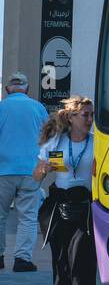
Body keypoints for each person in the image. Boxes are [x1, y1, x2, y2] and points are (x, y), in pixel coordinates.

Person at [33, 95, 96, 285]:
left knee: (83, 264)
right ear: (71, 117)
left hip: (86, 208)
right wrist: (44, 169)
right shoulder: (56, 142)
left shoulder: (96, 142)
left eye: (91, 114)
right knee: (61, 265)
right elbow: (36, 176)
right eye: (85, 115)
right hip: (59, 207)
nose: (89, 119)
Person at [0, 71, 48, 272]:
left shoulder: (1, 108)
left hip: (3, 171)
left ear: (6, 89)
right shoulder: (38, 108)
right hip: (32, 171)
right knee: (28, 216)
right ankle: (22, 259)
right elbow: (49, 137)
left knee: (0, 216)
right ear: (27, 89)